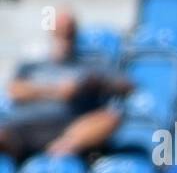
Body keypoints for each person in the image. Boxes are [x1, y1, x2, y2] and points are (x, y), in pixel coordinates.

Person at [0, 8, 132, 160]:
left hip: (72, 128)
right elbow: (14, 90)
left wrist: (94, 84)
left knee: (110, 118)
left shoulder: (91, 65)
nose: (65, 36)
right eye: (60, 31)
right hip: (23, 130)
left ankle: (63, 146)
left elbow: (127, 86)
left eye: (69, 32)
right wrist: (56, 91)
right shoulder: (32, 66)